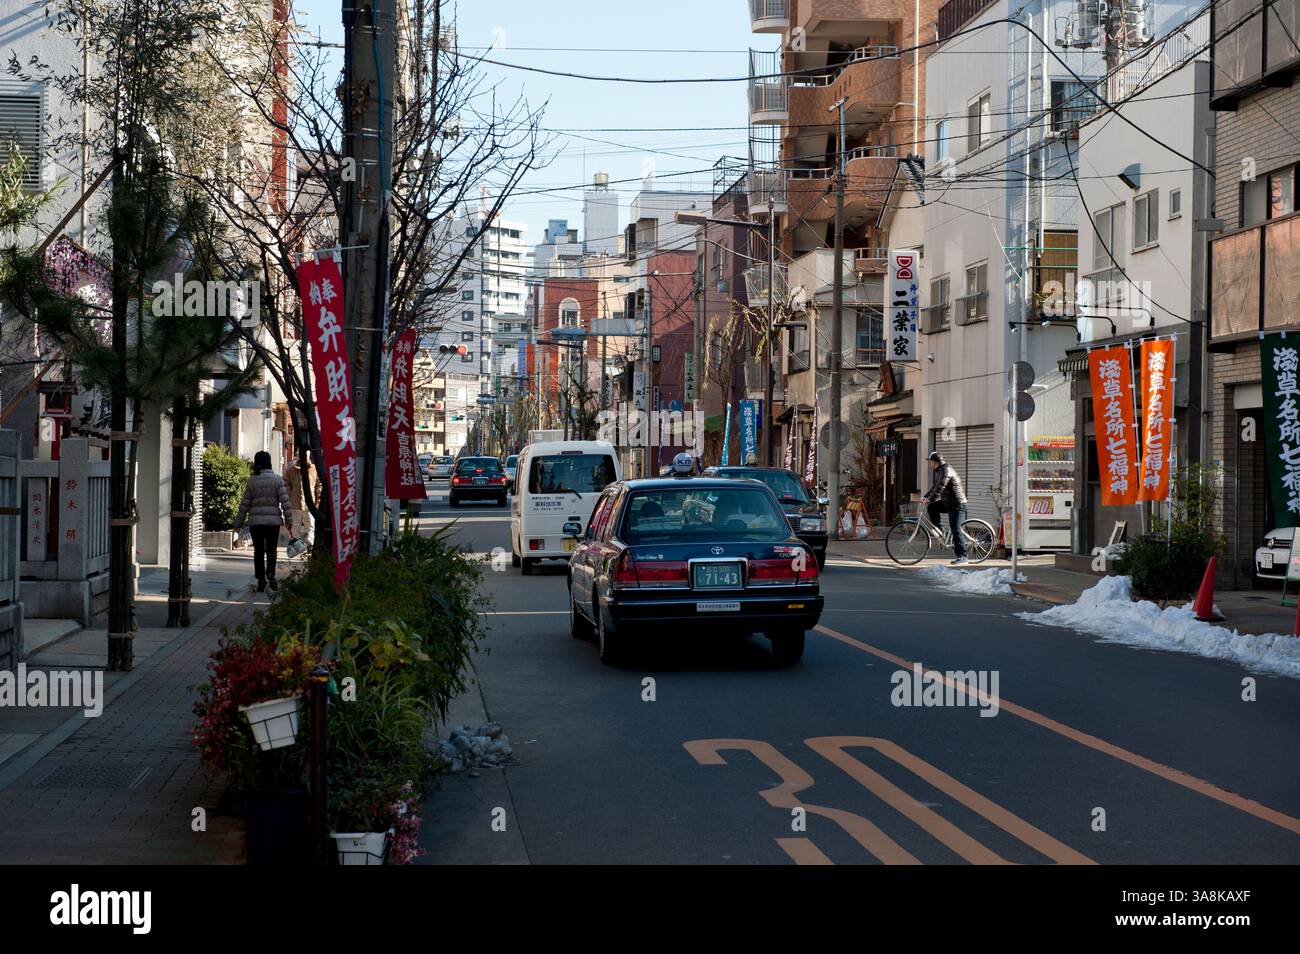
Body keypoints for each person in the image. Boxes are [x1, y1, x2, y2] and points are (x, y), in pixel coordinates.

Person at [235, 451, 293, 592]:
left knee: (258, 551)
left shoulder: (252, 481)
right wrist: (289, 520)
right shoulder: (277, 480)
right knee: (271, 550)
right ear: (269, 463)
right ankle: (271, 574)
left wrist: (238, 522)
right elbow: (285, 502)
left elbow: (244, 504)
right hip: (273, 523)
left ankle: (261, 579)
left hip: (256, 523)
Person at [924, 451, 969, 565]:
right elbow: (935, 486)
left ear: (935, 462)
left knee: (955, 528)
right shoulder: (939, 470)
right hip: (949, 503)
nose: (929, 464)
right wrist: (925, 497)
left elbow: (941, 486)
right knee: (932, 508)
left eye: (930, 462)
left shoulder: (946, 470)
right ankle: (941, 532)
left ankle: (963, 556)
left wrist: (931, 498)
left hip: (957, 504)